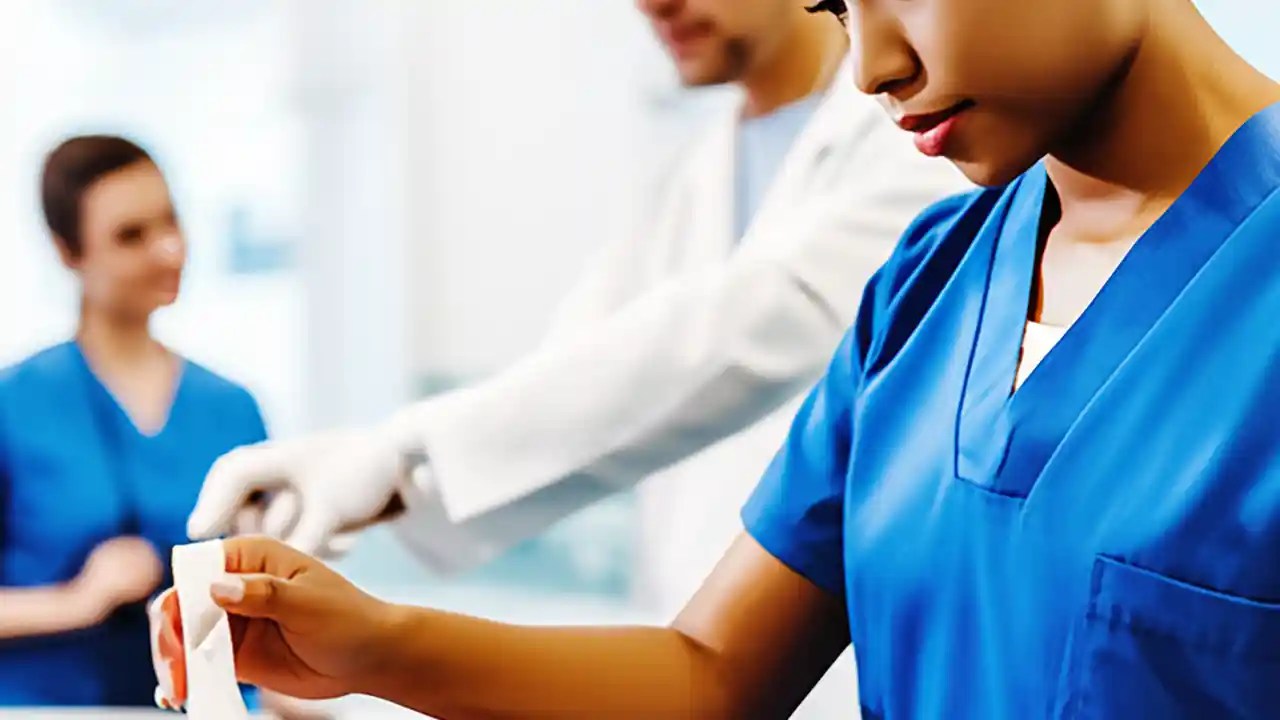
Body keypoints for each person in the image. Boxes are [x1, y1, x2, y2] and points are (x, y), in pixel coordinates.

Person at [154, 0, 1280, 716]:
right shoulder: (931, 279)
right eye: (840, 8)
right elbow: (711, 676)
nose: (870, 65)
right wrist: (372, 645)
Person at [186, 0, 962, 639]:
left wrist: (401, 456)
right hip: (688, 642)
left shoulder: (918, 152)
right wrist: (384, 470)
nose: (652, 5)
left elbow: (732, 332)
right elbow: (578, 378)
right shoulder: (692, 176)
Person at [0, 136, 271, 707]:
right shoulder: (15, 404)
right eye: (131, 236)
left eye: (170, 221)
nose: (168, 250)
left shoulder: (233, 407)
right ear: (68, 252)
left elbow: (266, 590)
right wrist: (77, 601)